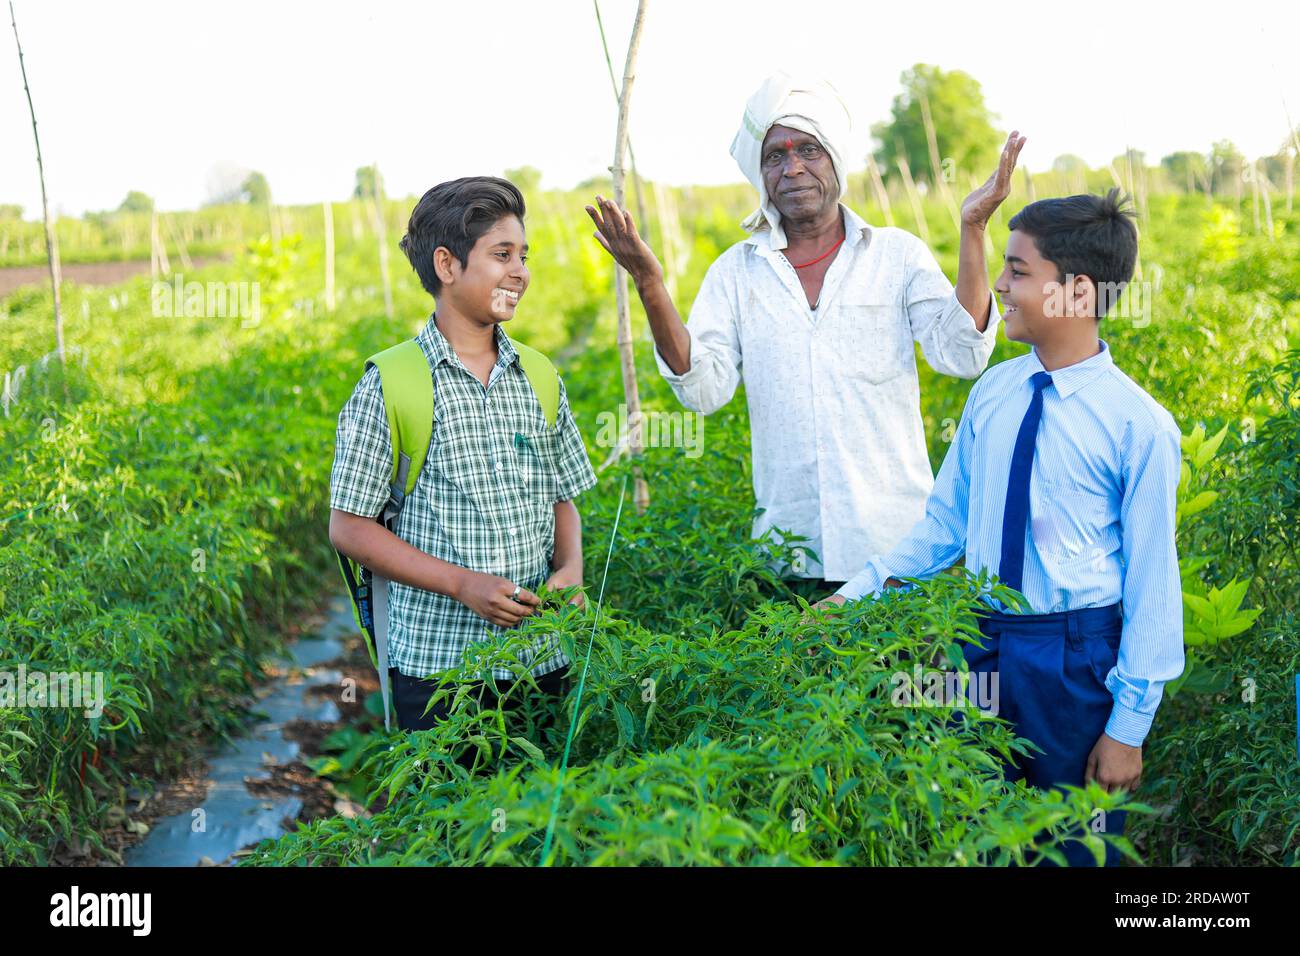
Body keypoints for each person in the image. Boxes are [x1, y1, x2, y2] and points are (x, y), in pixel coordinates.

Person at [820, 189, 1186, 866]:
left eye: (1018, 270)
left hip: (1076, 661)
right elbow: (944, 526)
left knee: (1075, 844)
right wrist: (859, 593)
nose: (1000, 286)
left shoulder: (1138, 426)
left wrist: (1128, 727)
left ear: (1077, 291)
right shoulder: (994, 392)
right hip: (980, 643)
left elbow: (1154, 586)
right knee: (976, 834)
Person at [586, 71, 1020, 600]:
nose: (792, 168)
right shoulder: (736, 271)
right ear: (761, 173)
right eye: (775, 156)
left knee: (902, 681)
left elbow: (961, 352)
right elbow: (704, 389)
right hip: (789, 558)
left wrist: (972, 229)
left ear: (834, 157)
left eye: (808, 150)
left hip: (897, 549)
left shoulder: (895, 254)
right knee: (801, 680)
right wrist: (650, 283)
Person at [328, 176, 598, 742]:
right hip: (439, 675)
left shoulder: (540, 376)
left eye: (524, 255)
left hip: (539, 661)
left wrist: (569, 571)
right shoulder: (392, 383)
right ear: (447, 266)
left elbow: (561, 497)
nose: (520, 271)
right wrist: (461, 584)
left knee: (533, 816)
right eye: (502, 255)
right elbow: (349, 528)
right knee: (451, 826)